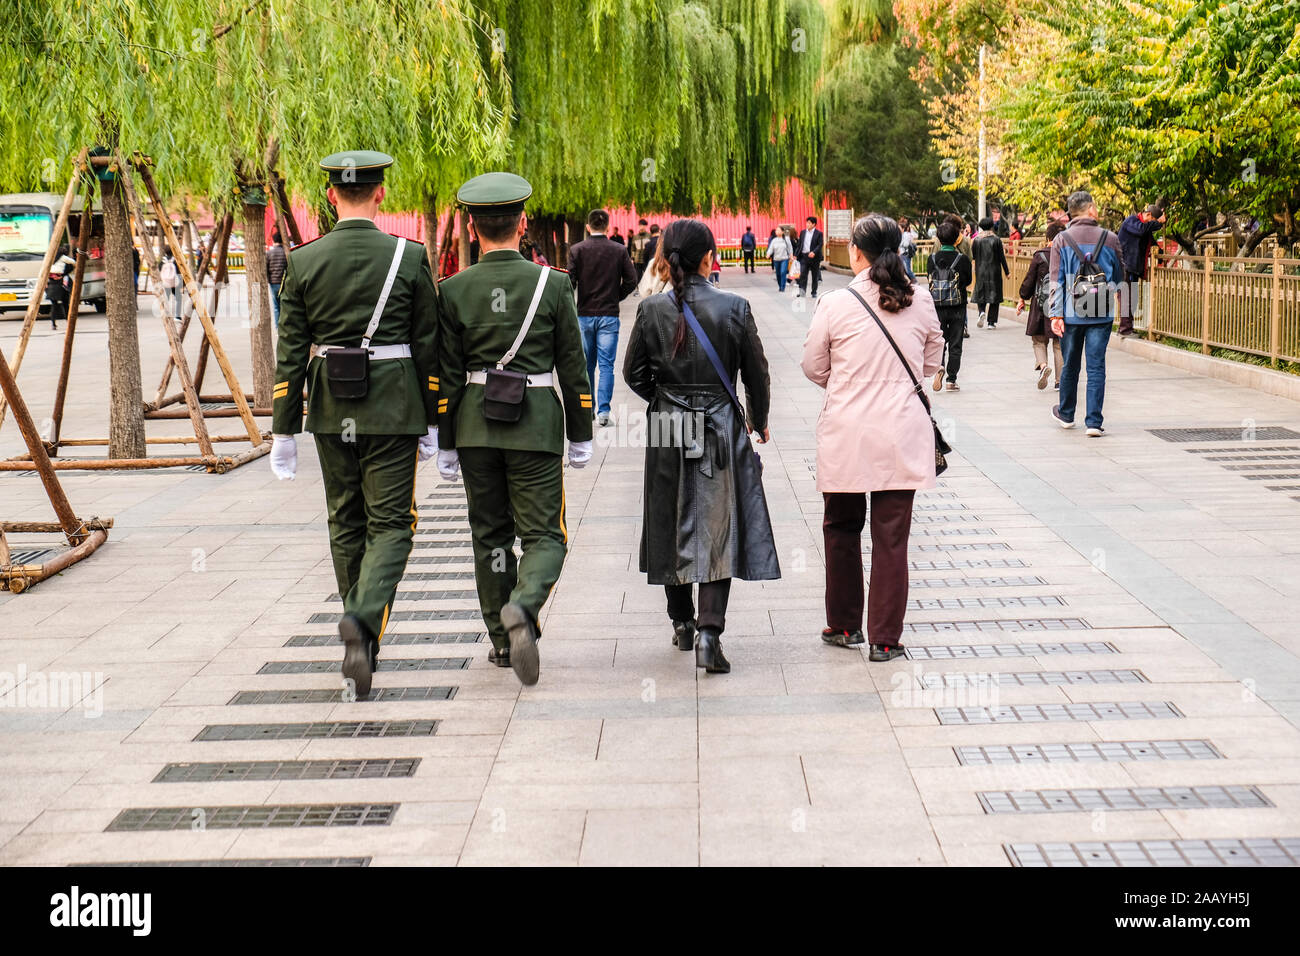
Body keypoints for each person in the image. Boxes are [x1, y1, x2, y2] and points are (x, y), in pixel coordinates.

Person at [269, 150, 440, 699]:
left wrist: (281, 429)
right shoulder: (409, 257)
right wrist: (436, 417)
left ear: (330, 196)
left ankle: (359, 633)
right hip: (392, 405)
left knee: (345, 519)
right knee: (392, 524)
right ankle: (363, 621)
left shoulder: (303, 260)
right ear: (380, 194)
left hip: (328, 407)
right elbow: (428, 346)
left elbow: (291, 351)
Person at [437, 172, 593, 685]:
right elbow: (574, 365)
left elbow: (445, 372)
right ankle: (524, 607)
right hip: (536, 425)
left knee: (490, 535)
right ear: (523, 222)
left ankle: (502, 644)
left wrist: (445, 440)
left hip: (476, 426)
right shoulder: (554, 284)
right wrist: (582, 430)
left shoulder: (453, 290)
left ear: (471, 226)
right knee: (547, 535)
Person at [623, 218, 779, 674]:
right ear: (709, 258)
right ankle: (711, 633)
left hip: (669, 425)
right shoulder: (735, 306)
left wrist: (668, 402)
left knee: (670, 516)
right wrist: (759, 420)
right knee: (718, 523)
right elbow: (757, 374)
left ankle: (682, 623)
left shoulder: (651, 310)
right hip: (720, 424)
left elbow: (634, 375)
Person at [801, 214, 943, 662]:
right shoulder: (919, 299)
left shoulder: (835, 303)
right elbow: (932, 359)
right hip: (901, 432)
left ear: (856, 252)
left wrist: (847, 382)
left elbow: (812, 366)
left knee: (841, 528)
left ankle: (844, 625)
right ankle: (885, 639)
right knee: (892, 538)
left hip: (847, 431)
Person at [1049, 189, 1124, 437]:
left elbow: (1055, 280)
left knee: (1070, 364)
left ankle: (1067, 414)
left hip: (1071, 313)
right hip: (1101, 312)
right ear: (1091, 209)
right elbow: (1120, 275)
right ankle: (1093, 422)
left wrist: (1055, 315)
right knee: (1096, 366)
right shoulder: (1111, 238)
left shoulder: (1061, 239)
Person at [567, 208, 637, 426]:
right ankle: (604, 412)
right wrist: (616, 297)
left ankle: (588, 410)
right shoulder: (618, 250)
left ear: (588, 227)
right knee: (606, 365)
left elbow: (569, 282)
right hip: (609, 314)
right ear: (607, 226)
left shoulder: (577, 250)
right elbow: (631, 280)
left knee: (586, 365)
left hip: (585, 314)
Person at [1017, 220, 1065, 390]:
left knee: (1038, 340)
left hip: (1040, 304)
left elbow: (1030, 280)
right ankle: (1060, 381)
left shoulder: (1040, 255)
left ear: (1047, 237)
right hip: (1061, 304)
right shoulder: (1067, 254)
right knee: (1059, 343)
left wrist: (1022, 297)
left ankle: (1043, 367)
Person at [927, 220, 972, 391]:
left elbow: (930, 278)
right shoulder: (962, 259)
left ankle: (939, 366)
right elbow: (967, 281)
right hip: (958, 305)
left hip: (937, 306)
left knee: (940, 340)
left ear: (938, 238)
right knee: (955, 343)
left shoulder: (932, 259)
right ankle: (951, 380)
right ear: (956, 239)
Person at [1117, 203, 1165, 336]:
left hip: (1133, 268)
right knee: (1126, 297)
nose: (1153, 225)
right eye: (1153, 221)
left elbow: (1151, 241)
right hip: (1124, 266)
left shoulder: (1144, 228)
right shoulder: (1132, 221)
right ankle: (1125, 330)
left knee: (1132, 298)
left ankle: (1126, 327)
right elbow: (1142, 230)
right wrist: (1159, 223)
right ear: (1148, 215)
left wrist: (1161, 255)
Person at [971, 217, 1009, 328]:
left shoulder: (977, 240)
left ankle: (981, 312)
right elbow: (1001, 257)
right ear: (991, 225)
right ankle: (991, 322)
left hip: (980, 270)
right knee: (994, 295)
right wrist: (1007, 272)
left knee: (980, 292)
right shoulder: (996, 239)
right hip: (994, 271)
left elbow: (973, 256)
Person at [45, 247, 74, 331]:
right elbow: (73, 263)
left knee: (54, 306)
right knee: (65, 305)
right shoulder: (64, 259)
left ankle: (53, 324)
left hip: (51, 284)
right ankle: (69, 322)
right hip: (61, 285)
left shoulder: (50, 258)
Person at [795, 215, 823, 298]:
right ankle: (802, 292)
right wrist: (796, 255)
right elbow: (799, 244)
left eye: (809, 223)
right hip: (804, 256)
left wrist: (814, 252)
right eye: (806, 222)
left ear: (814, 224)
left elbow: (820, 244)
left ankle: (814, 292)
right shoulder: (803, 232)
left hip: (814, 257)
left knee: (815, 275)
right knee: (803, 274)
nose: (807, 224)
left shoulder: (819, 233)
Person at [266, 228, 287, 327]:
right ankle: (285, 326)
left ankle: (278, 327)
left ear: (274, 240)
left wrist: (268, 280)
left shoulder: (269, 253)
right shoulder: (286, 253)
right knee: (285, 305)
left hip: (273, 283)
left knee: (276, 306)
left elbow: (266, 269)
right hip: (285, 283)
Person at [767, 227, 793, 291]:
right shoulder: (774, 240)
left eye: (778, 230)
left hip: (784, 259)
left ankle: (782, 287)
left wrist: (791, 255)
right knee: (778, 274)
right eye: (776, 230)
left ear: (782, 232)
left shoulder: (786, 239)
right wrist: (768, 254)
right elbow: (771, 248)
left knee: (783, 272)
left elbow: (790, 248)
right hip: (776, 259)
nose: (777, 232)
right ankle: (780, 285)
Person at [631, 218, 651, 285]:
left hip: (646, 260)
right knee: (638, 276)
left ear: (645, 226)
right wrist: (632, 258)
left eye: (642, 225)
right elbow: (633, 248)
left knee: (647, 276)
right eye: (639, 225)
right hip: (637, 260)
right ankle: (638, 290)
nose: (641, 227)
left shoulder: (649, 236)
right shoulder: (635, 237)